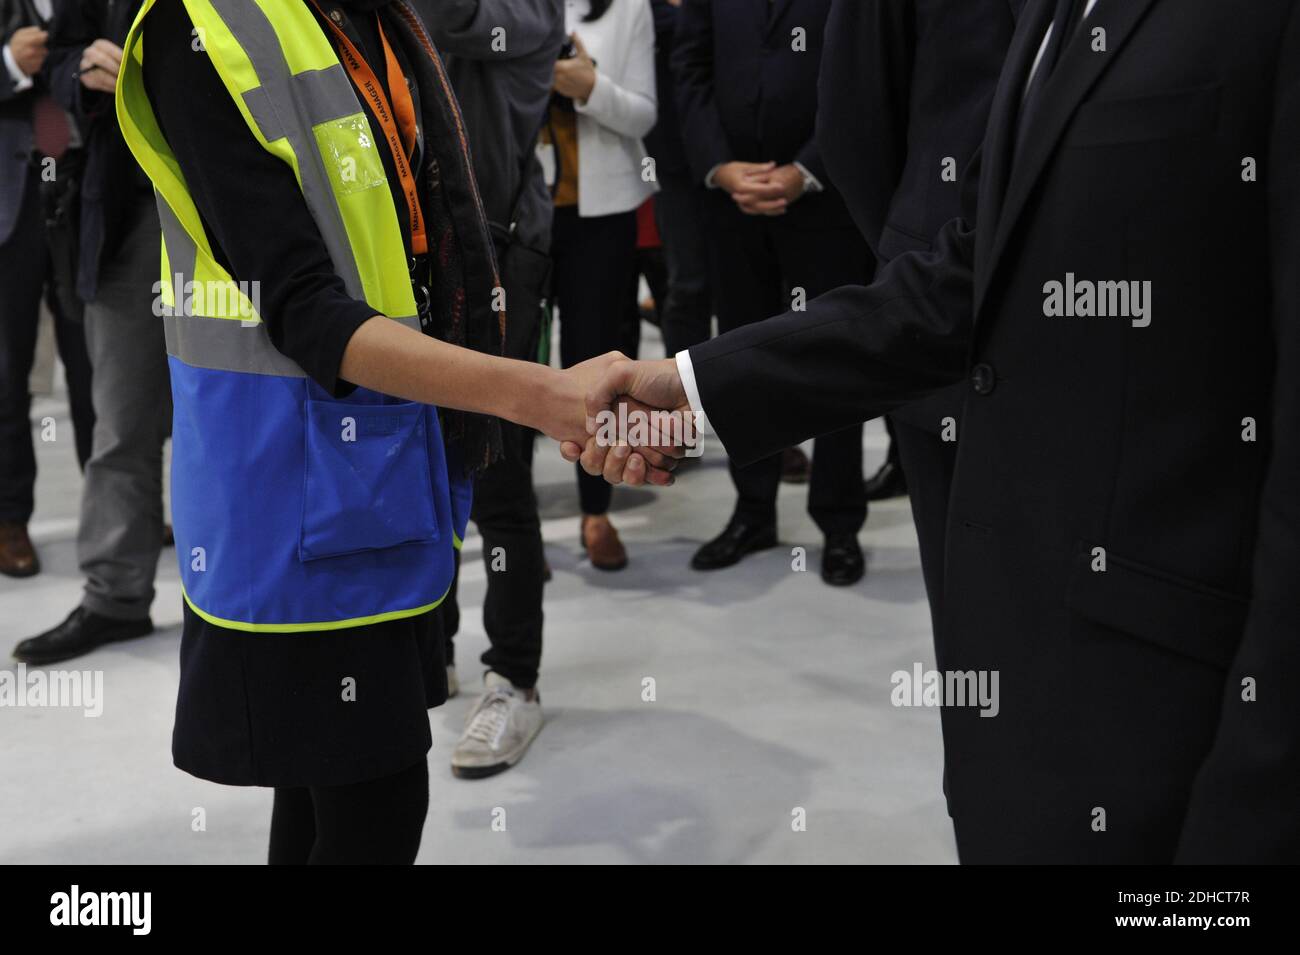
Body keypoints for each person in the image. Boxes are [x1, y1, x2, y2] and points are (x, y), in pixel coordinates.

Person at [572, 0, 1300, 863]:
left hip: (1176, 727)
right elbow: (965, 279)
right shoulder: (1053, 17)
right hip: (1025, 706)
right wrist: (694, 386)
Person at [115, 0, 662, 864]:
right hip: (286, 498)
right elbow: (308, 313)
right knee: (373, 801)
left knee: (331, 795)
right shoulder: (204, 30)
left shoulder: (367, 17)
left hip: (382, 474)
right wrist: (539, 395)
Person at [816, 0, 1017, 637]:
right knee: (978, 629)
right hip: (946, 330)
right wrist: (928, 266)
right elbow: (853, 126)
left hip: (1116, 330)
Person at [416, 0, 565, 779]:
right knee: (419, 469)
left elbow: (463, 16)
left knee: (497, 476)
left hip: (499, 260)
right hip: (407, 258)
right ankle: (428, 651)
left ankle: (514, 676)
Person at [672, 0, 870, 585]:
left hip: (827, 196)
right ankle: (753, 510)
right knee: (737, 357)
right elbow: (690, 65)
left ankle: (839, 522)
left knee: (837, 357)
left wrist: (806, 168)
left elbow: (862, 75)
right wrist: (719, 166)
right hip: (731, 202)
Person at [13, 0, 173, 663]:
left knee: (251, 412)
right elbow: (53, 57)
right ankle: (115, 595)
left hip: (246, 209)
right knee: (121, 418)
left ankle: (261, 593)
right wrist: (77, 69)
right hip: (128, 208)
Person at [542, 0, 656, 571]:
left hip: (603, 210)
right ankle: (508, 522)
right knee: (508, 355)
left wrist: (588, 87)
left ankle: (596, 508)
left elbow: (643, 116)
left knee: (598, 359)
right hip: (519, 207)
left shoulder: (628, 8)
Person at [0, 0, 94, 579]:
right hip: (9, 202)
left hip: (85, 193)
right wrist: (8, 63)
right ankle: (10, 517)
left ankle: (116, 507)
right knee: (7, 372)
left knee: (95, 365)